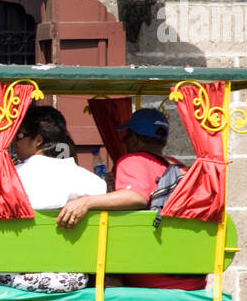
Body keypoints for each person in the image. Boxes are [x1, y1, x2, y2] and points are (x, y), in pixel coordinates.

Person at [55, 107, 204, 290]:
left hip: (149, 272)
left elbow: (137, 197)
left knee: (98, 264)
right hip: (189, 271)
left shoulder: (132, 160)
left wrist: (85, 202)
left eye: (126, 136)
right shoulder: (177, 166)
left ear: (133, 139)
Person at [0, 105, 106, 293]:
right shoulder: (90, 181)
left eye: (19, 135)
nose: (15, 142)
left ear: (38, 140)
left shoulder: (8, 179)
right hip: (69, 278)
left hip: (15, 275)